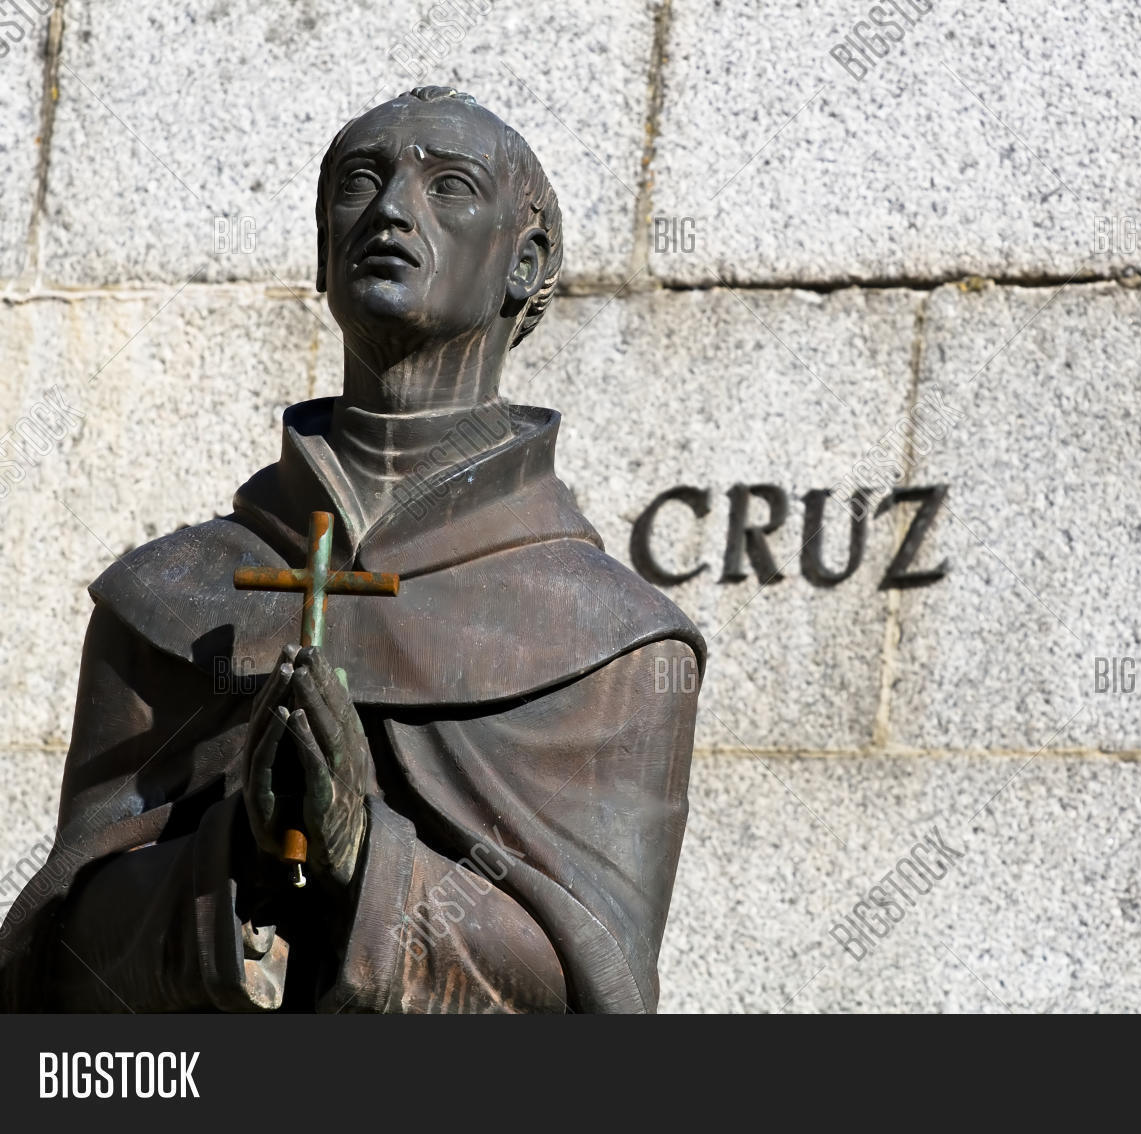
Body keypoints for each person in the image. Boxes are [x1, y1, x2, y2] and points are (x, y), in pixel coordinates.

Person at [0, 87, 705, 1013]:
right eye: (360, 182)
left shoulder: (614, 641)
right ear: (324, 250)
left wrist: (365, 863)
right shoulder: (171, 597)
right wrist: (236, 859)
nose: (391, 210)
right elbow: (64, 967)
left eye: (449, 186)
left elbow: (596, 993)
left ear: (523, 264)